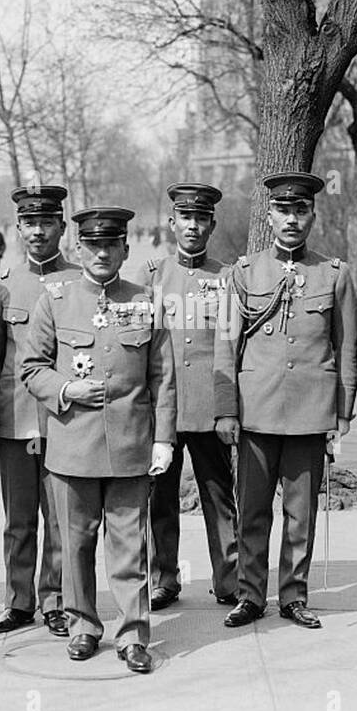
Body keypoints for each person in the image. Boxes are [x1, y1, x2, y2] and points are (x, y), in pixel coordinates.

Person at [19, 207, 176, 674]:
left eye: (111, 245)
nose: (102, 253)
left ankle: (133, 634)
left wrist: (163, 440)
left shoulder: (147, 301)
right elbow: (31, 367)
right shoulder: (56, 300)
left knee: (130, 548)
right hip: (73, 448)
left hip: (130, 446)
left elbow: (163, 377)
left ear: (126, 249)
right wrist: (66, 389)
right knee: (76, 544)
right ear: (77, 249)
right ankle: (83, 625)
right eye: (92, 245)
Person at [215, 171, 357, 630]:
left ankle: (294, 596)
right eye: (283, 210)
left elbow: (347, 347)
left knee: (300, 513)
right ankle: (250, 595)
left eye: (301, 210)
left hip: (309, 413)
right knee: (252, 510)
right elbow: (226, 344)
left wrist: (342, 412)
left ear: (313, 214)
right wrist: (225, 409)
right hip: (257, 411)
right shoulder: (244, 273)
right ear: (270, 214)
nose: (292, 219)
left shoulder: (334, 274)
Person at [0, 185, 81, 637]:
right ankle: (18, 601)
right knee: (18, 519)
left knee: (61, 520)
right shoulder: (3, 288)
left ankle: (56, 601)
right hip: (17, 421)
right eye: (29, 223)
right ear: (18, 229)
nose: (38, 231)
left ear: (62, 227)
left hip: (65, 421)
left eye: (46, 222)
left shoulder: (79, 283)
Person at [142, 183, 240, 611]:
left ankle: (230, 579)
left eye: (202, 219)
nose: (193, 226)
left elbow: (227, 344)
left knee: (219, 496)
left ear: (212, 225)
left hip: (207, 407)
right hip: (162, 407)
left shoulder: (225, 278)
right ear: (172, 223)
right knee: (160, 498)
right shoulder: (152, 275)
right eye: (186, 218)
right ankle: (164, 577)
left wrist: (225, 408)